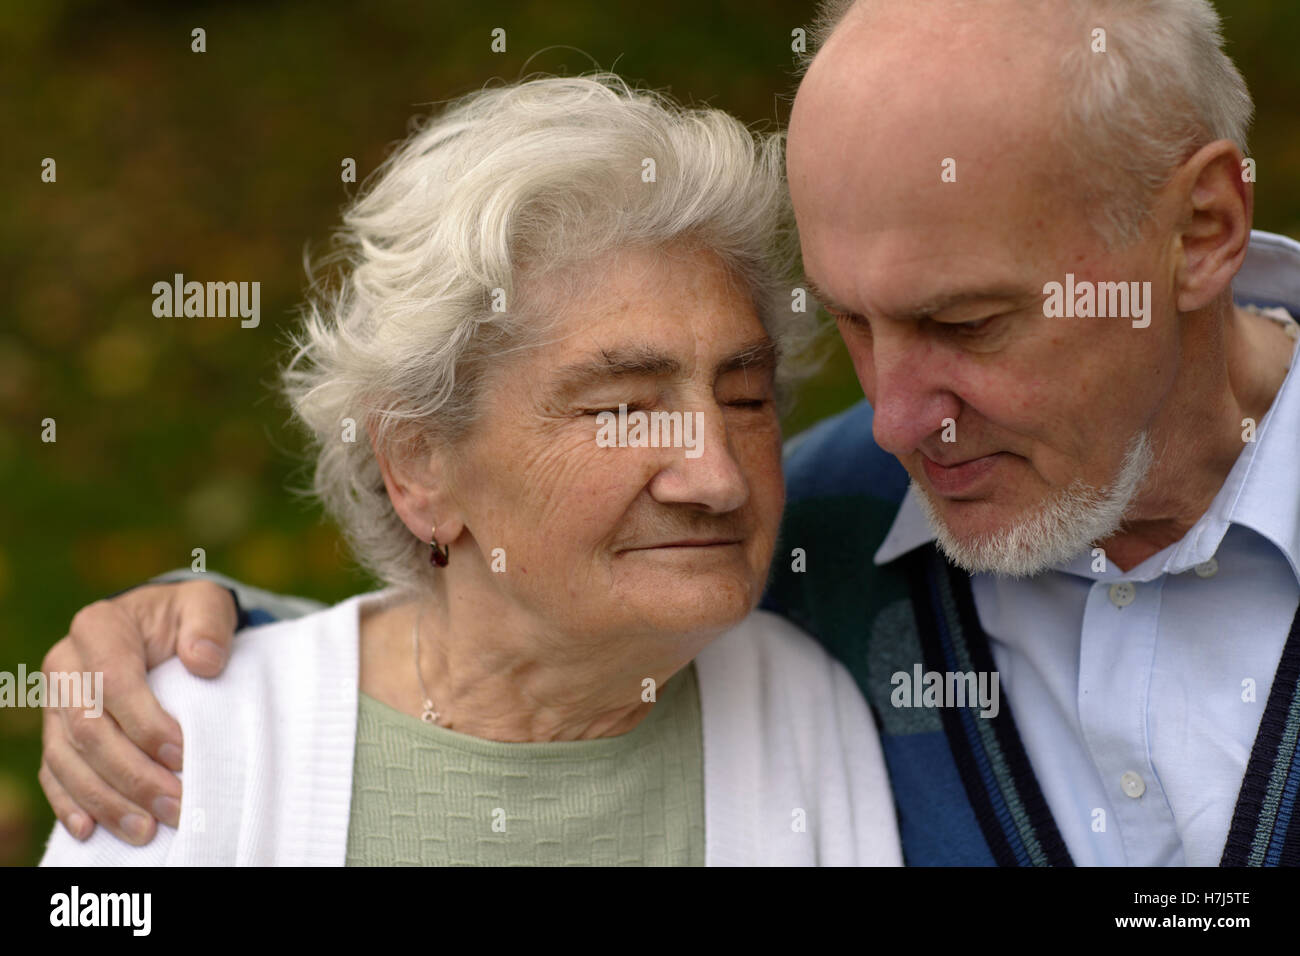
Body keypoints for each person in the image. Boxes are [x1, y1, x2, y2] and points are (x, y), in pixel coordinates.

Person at [41, 0, 1300, 867]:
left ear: (1197, 231)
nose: (896, 418)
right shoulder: (835, 530)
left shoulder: (805, 630)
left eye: (966, 320)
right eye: (855, 325)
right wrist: (189, 640)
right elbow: (503, 637)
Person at [38, 74, 901, 865]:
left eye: (746, 398)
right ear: (420, 466)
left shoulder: (808, 712)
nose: (718, 477)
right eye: (622, 410)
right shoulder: (186, 742)